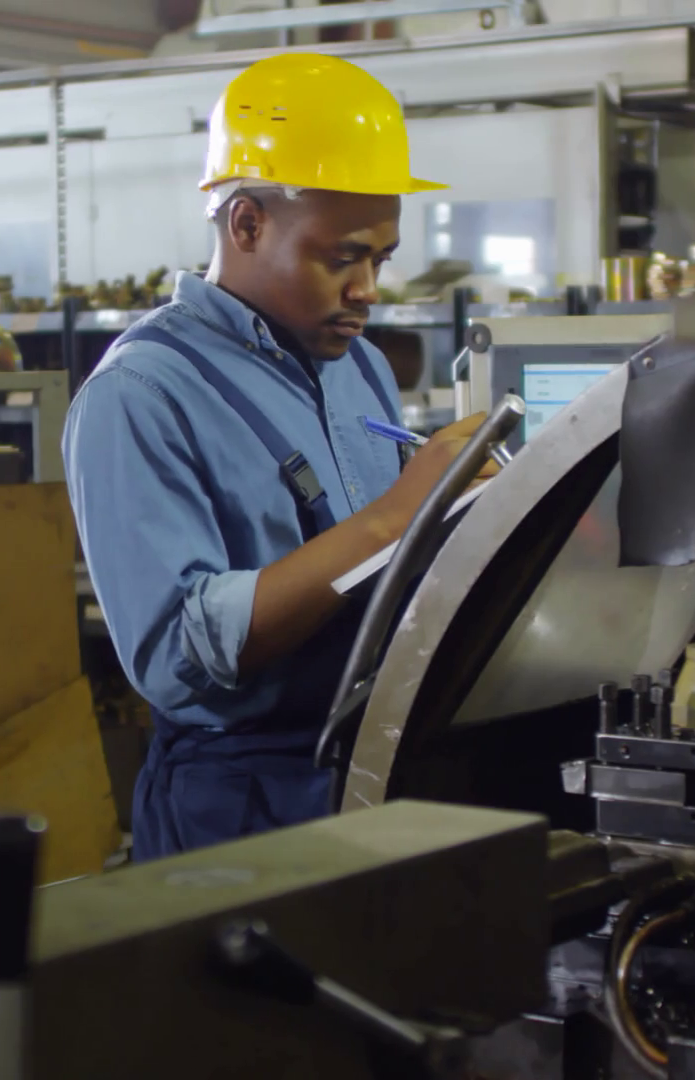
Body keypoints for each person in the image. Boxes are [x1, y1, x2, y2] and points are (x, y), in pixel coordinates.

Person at [63, 54, 492, 861]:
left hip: (363, 762)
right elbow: (175, 656)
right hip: (236, 804)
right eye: (342, 257)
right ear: (248, 224)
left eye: (382, 260)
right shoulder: (141, 394)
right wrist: (400, 514)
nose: (368, 289)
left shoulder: (355, 364)